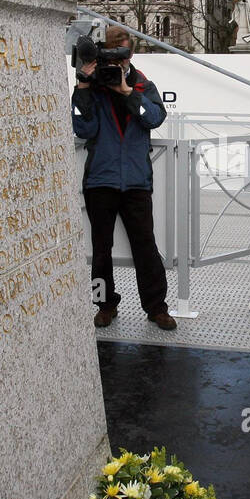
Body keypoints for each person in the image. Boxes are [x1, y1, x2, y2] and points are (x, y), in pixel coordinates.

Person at [72, 26, 176, 331]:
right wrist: (82, 87)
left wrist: (128, 92)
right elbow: (83, 128)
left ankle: (156, 307)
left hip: (135, 181)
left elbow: (154, 118)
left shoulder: (143, 84)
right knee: (100, 249)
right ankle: (104, 305)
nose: (117, 67)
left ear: (128, 56)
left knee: (146, 246)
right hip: (100, 180)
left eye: (122, 55)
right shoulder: (93, 86)